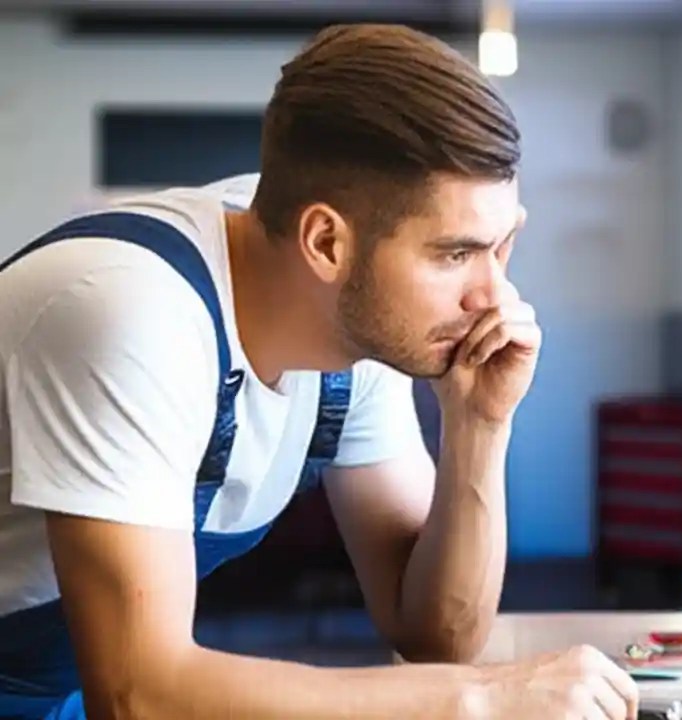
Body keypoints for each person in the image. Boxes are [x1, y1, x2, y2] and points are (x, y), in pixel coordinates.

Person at [0, 23, 638, 720]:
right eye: (456, 255)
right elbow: (137, 694)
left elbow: (434, 635)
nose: (493, 298)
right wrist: (484, 698)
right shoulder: (130, 315)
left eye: (501, 247)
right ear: (326, 242)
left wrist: (477, 425)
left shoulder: (344, 317)